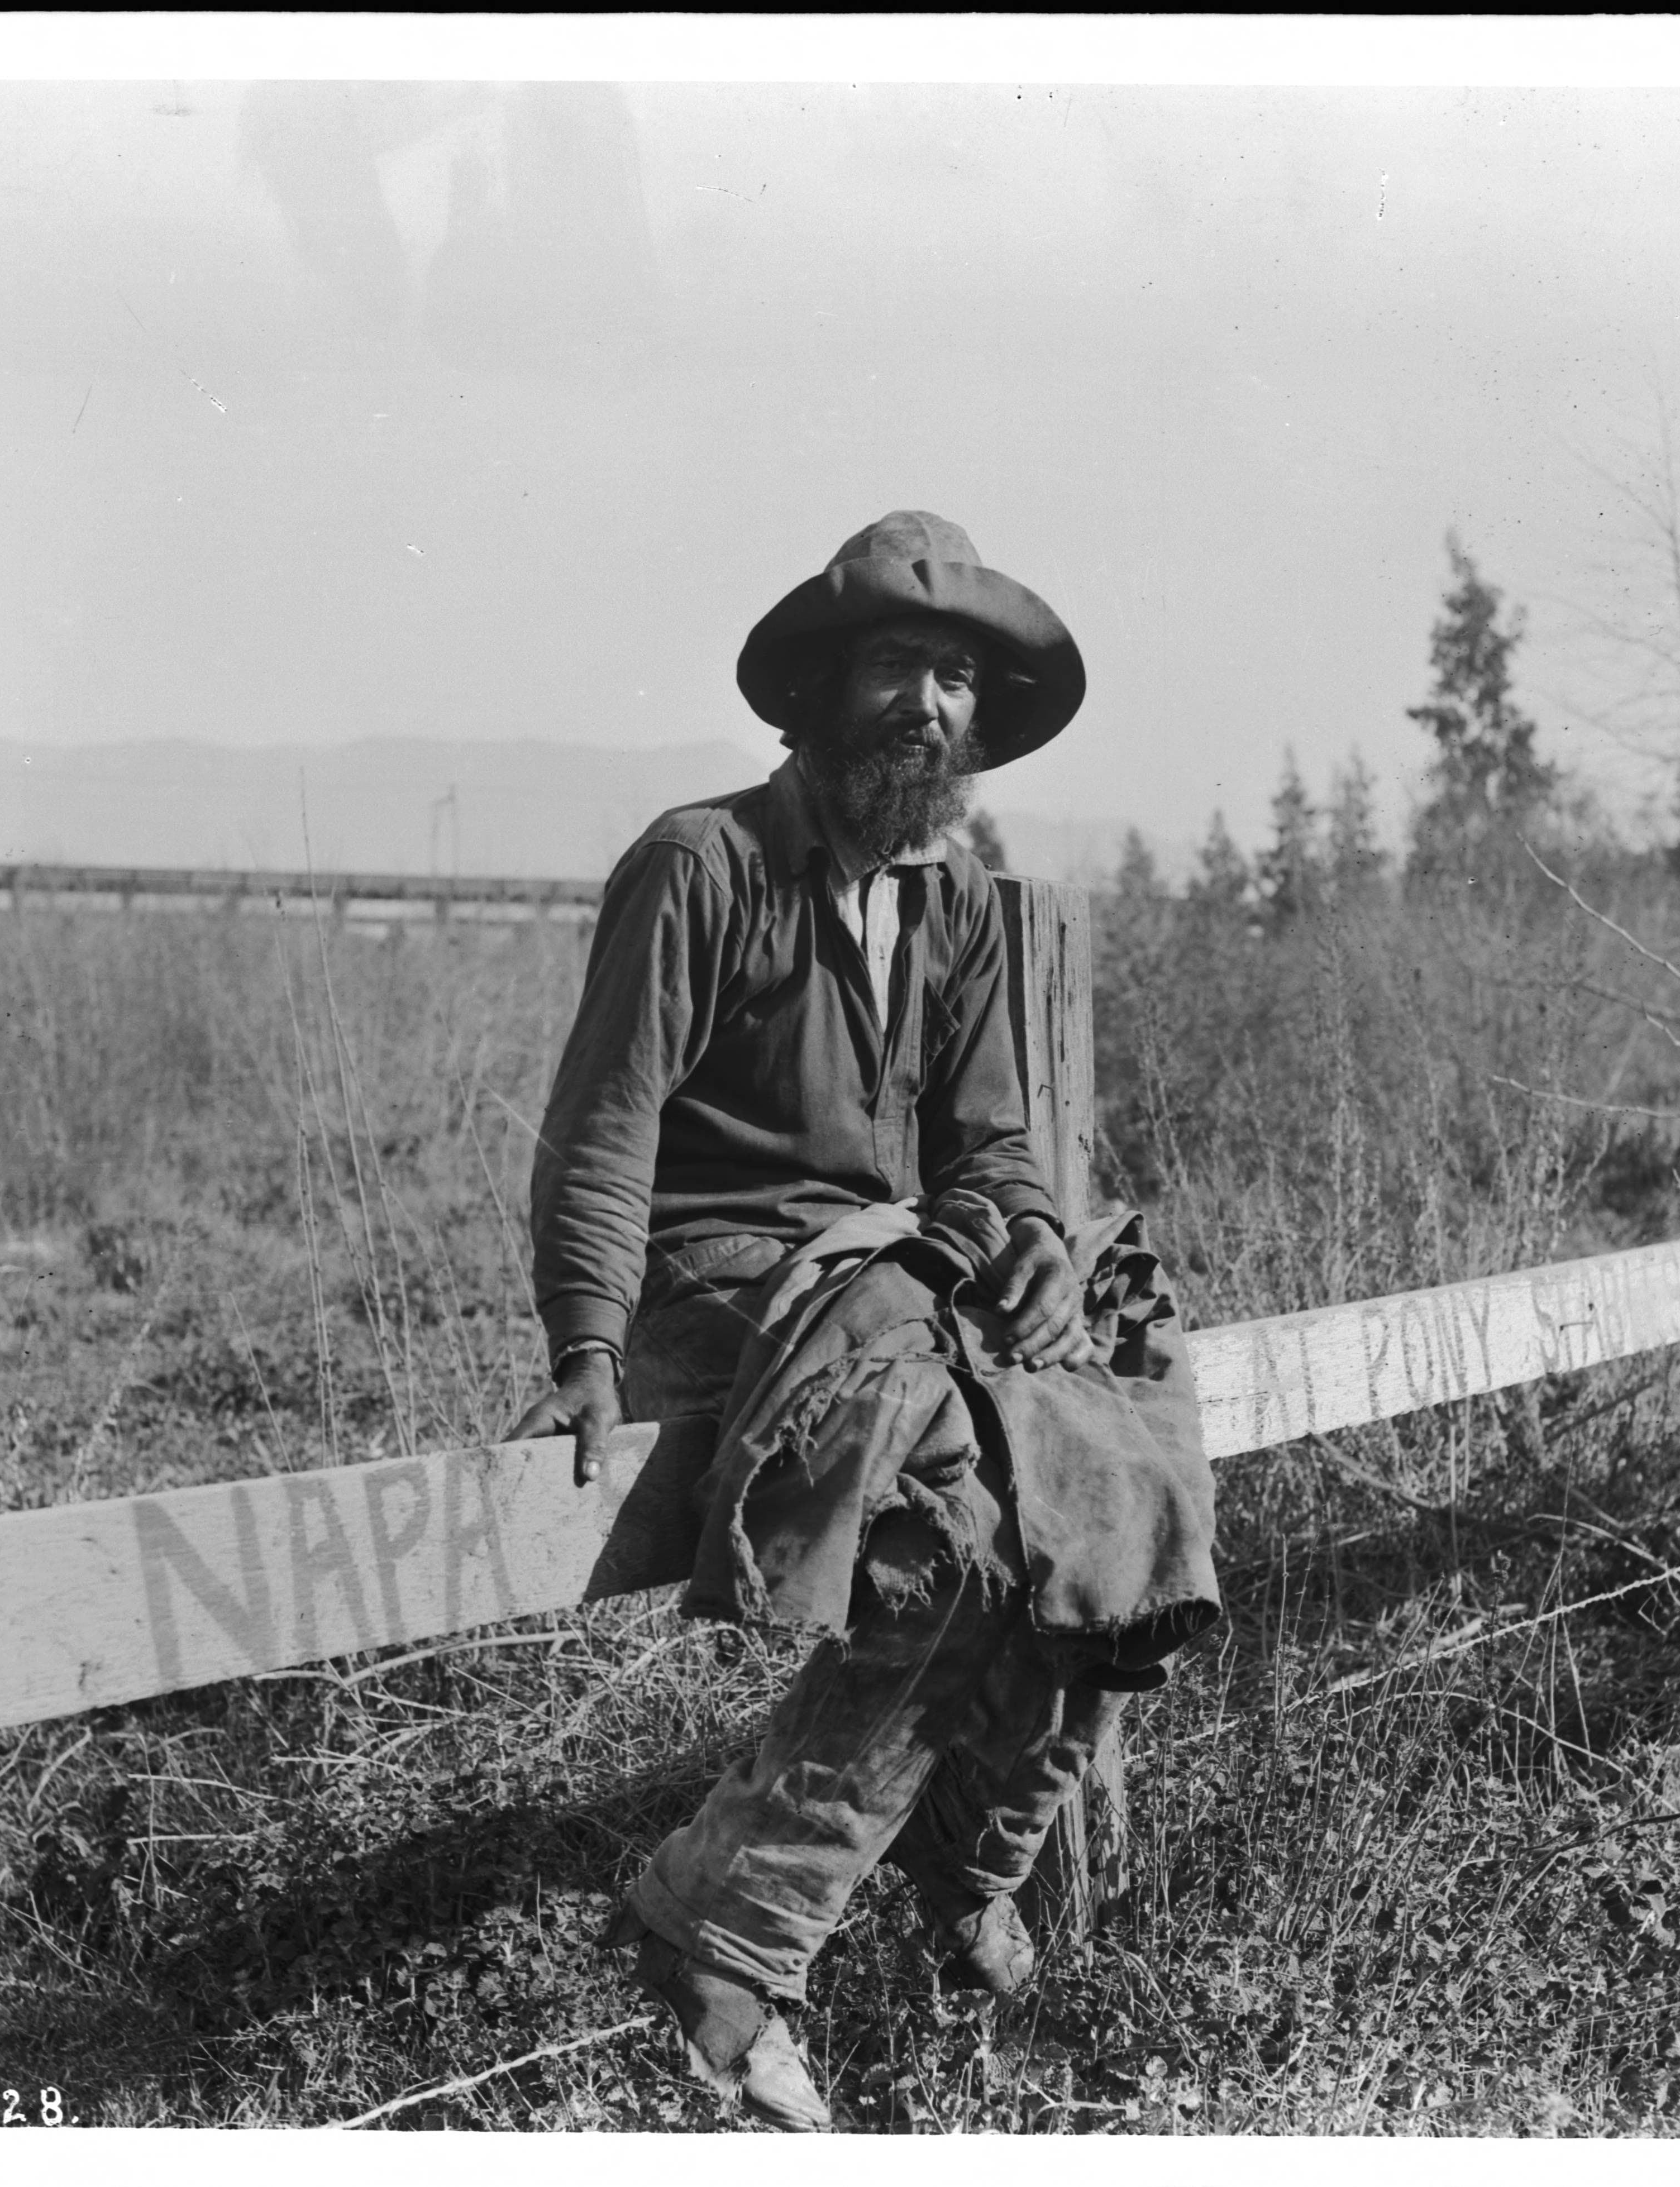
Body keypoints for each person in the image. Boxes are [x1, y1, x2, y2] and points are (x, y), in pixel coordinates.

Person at [509, 512, 1215, 2129]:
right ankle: (717, 1936)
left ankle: (973, 1848)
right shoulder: (703, 867)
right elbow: (604, 1126)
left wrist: (1031, 1238)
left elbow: (992, 1144)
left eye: (958, 677)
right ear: (820, 692)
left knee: (1116, 1419)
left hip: (884, 1276)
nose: (929, 704)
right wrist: (585, 1348)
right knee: (955, 1522)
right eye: (899, 663)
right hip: (718, 1290)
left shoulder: (956, 898)